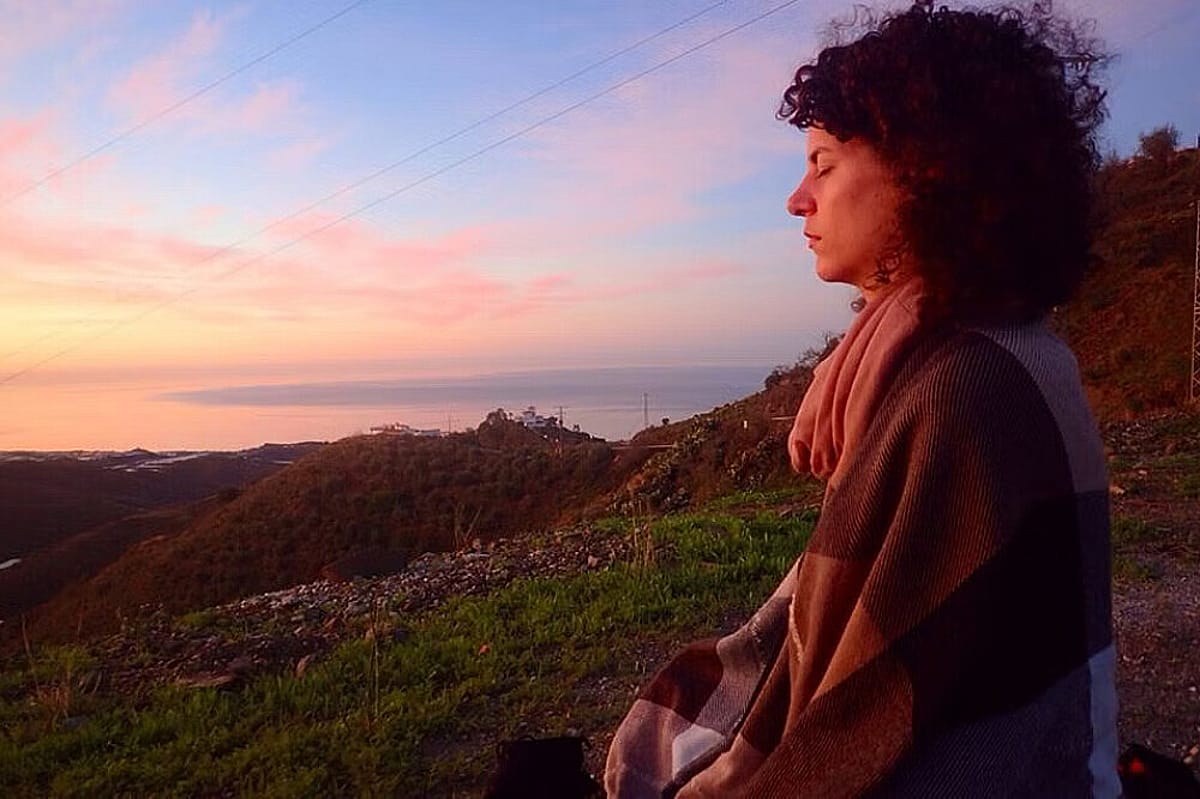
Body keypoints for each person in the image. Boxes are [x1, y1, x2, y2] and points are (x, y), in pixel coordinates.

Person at [604, 2, 1117, 796]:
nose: (797, 199)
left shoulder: (963, 387)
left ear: (927, 170)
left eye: (824, 163)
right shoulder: (1002, 342)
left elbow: (856, 726)